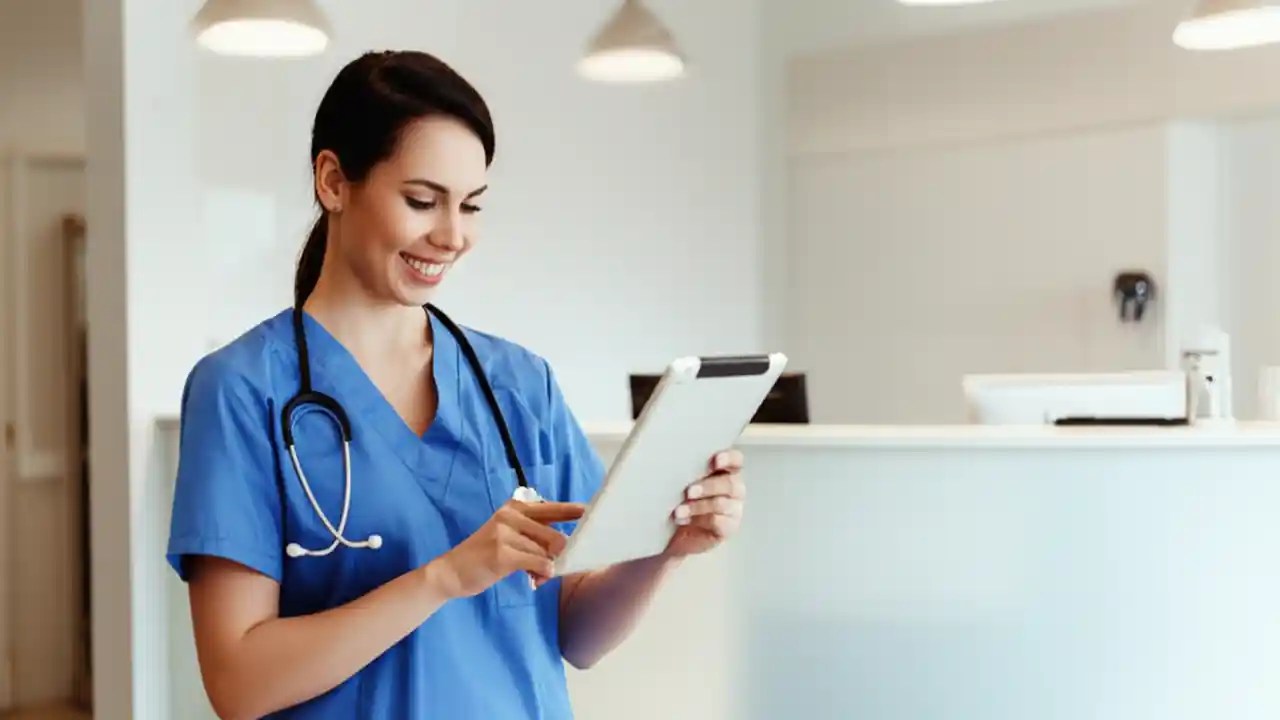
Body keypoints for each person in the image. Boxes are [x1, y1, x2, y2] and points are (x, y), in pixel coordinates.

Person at [165, 50, 748, 719]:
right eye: (422, 201)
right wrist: (444, 577)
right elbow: (239, 683)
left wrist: (664, 553)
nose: (451, 236)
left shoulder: (520, 385)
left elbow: (575, 636)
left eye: (470, 206)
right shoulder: (242, 391)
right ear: (333, 180)